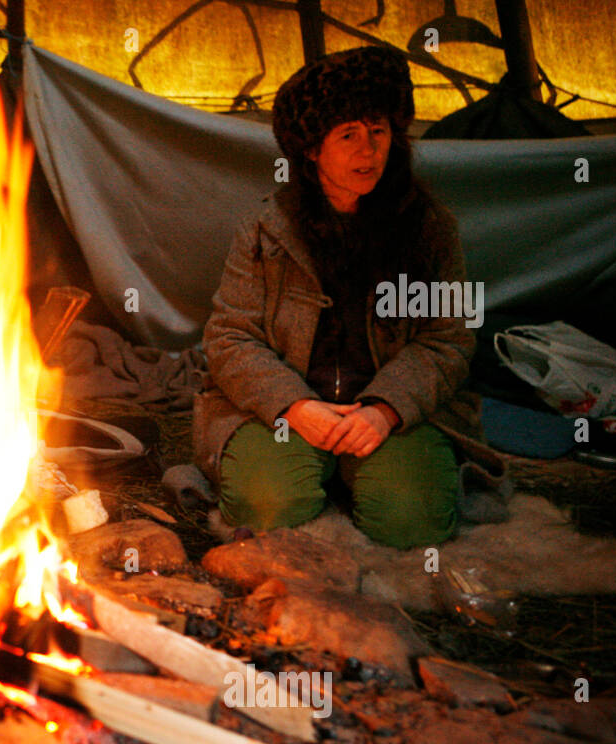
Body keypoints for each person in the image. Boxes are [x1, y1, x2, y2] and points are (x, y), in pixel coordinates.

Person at [194, 45, 502, 550]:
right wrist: (294, 406)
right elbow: (230, 337)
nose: (369, 150)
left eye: (378, 132)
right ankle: (318, 470)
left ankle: (363, 471)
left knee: (412, 524)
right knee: (269, 509)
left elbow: (449, 339)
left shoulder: (429, 228)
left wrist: (384, 409)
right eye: (349, 135)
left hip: (392, 415)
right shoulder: (266, 230)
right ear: (313, 149)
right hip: (287, 412)